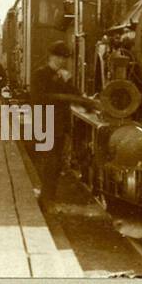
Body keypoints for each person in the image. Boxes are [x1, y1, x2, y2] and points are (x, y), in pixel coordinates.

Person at [29, 41, 98, 211]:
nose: (61, 61)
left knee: (56, 163)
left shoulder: (62, 77)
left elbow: (74, 94)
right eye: (59, 57)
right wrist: (68, 94)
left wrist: (90, 103)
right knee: (51, 163)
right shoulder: (40, 74)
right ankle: (47, 201)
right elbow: (39, 98)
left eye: (64, 58)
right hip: (45, 123)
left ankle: (48, 198)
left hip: (59, 126)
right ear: (51, 56)